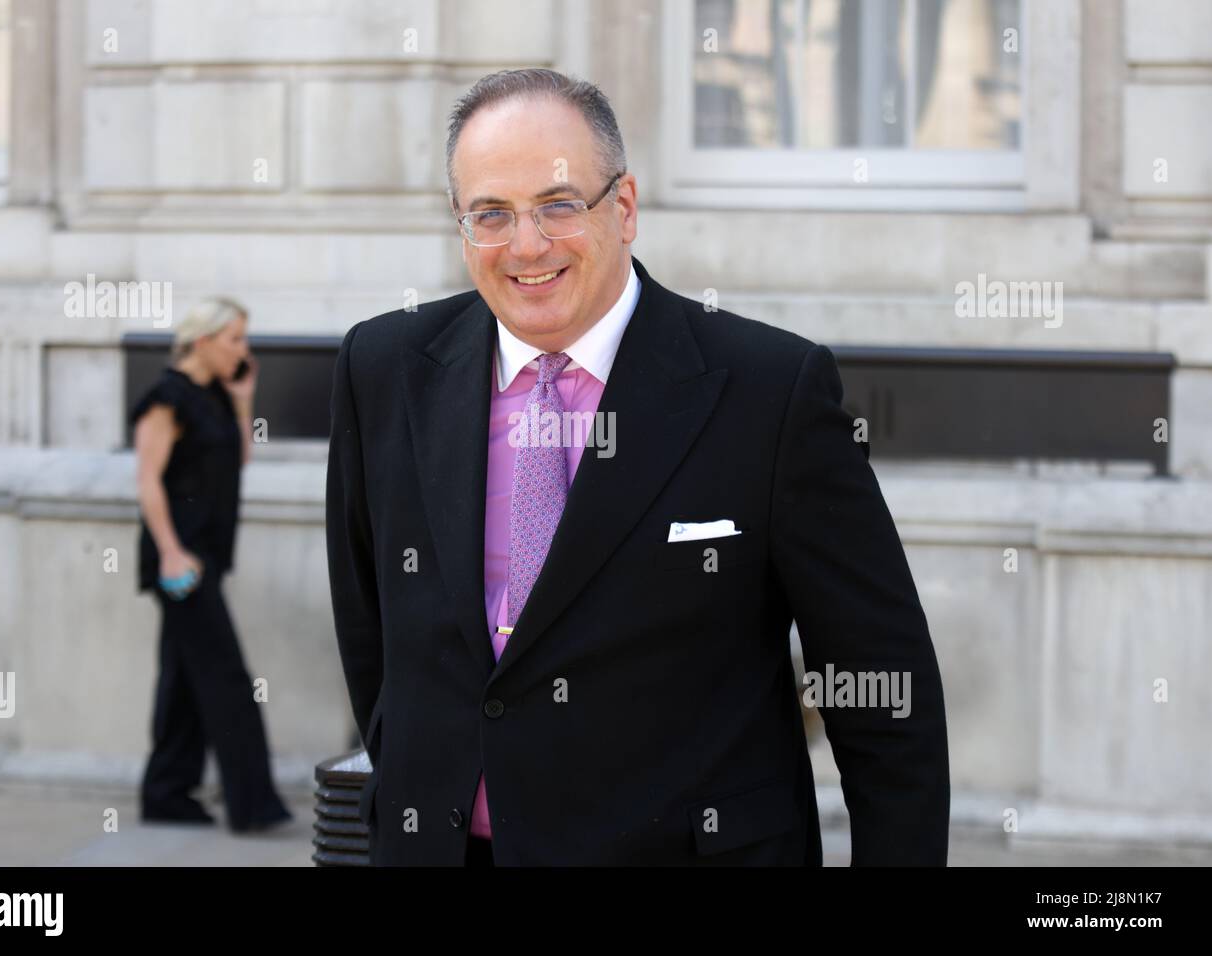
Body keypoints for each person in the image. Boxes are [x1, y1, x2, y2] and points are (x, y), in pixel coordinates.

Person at [326, 69, 948, 866]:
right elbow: (370, 635)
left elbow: (882, 691)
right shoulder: (383, 369)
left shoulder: (769, 391)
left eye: (557, 205)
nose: (526, 245)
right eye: (491, 215)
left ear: (622, 207)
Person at [131, 296, 292, 833]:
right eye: (235, 339)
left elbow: (237, 459)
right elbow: (147, 479)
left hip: (209, 557)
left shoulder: (216, 396)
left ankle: (166, 792)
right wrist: (172, 550)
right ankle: (254, 806)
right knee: (226, 677)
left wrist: (244, 401)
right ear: (204, 341)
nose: (244, 350)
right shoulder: (166, 398)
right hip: (181, 561)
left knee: (181, 676)